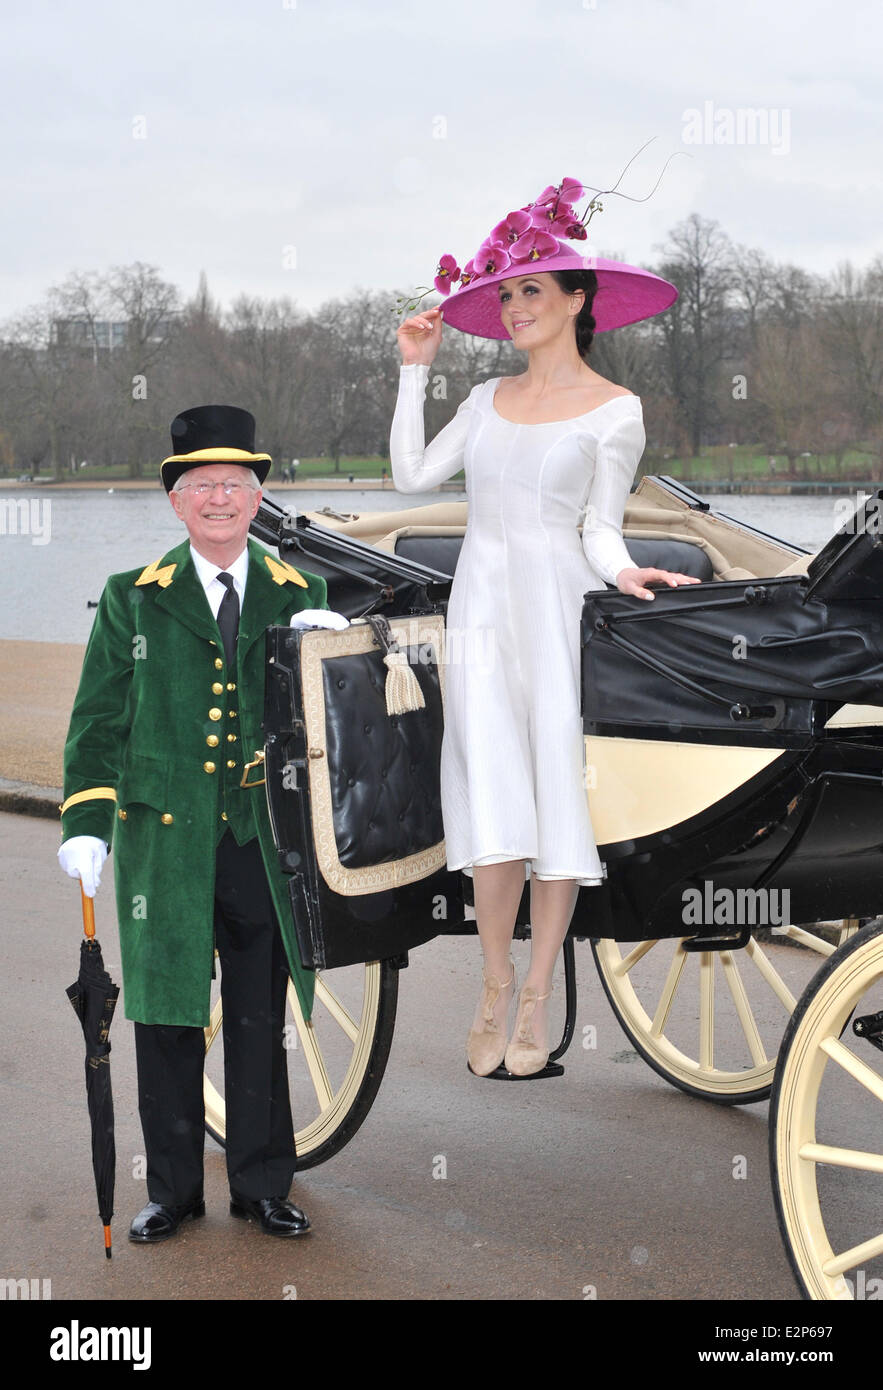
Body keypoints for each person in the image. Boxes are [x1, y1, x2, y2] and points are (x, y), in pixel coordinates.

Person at [390, 181, 700, 1079]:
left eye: (534, 290)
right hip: (480, 610)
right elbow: (411, 476)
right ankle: (492, 983)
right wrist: (416, 366)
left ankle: (536, 999)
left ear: (576, 299)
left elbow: (598, 527)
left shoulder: (617, 409)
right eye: (507, 293)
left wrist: (624, 570)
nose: (515, 306)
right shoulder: (484, 399)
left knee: (554, 794)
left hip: (557, 607)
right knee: (492, 793)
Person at [57, 404, 332, 1242]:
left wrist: (332, 656)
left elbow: (328, 731)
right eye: (202, 485)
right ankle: (172, 1192)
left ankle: (261, 1185)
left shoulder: (303, 593)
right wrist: (86, 822)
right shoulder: (129, 599)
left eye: (236, 485)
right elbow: (98, 720)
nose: (219, 499)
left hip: (259, 837)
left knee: (258, 1017)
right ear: (175, 502)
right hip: (165, 844)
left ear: (257, 501)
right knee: (169, 1018)